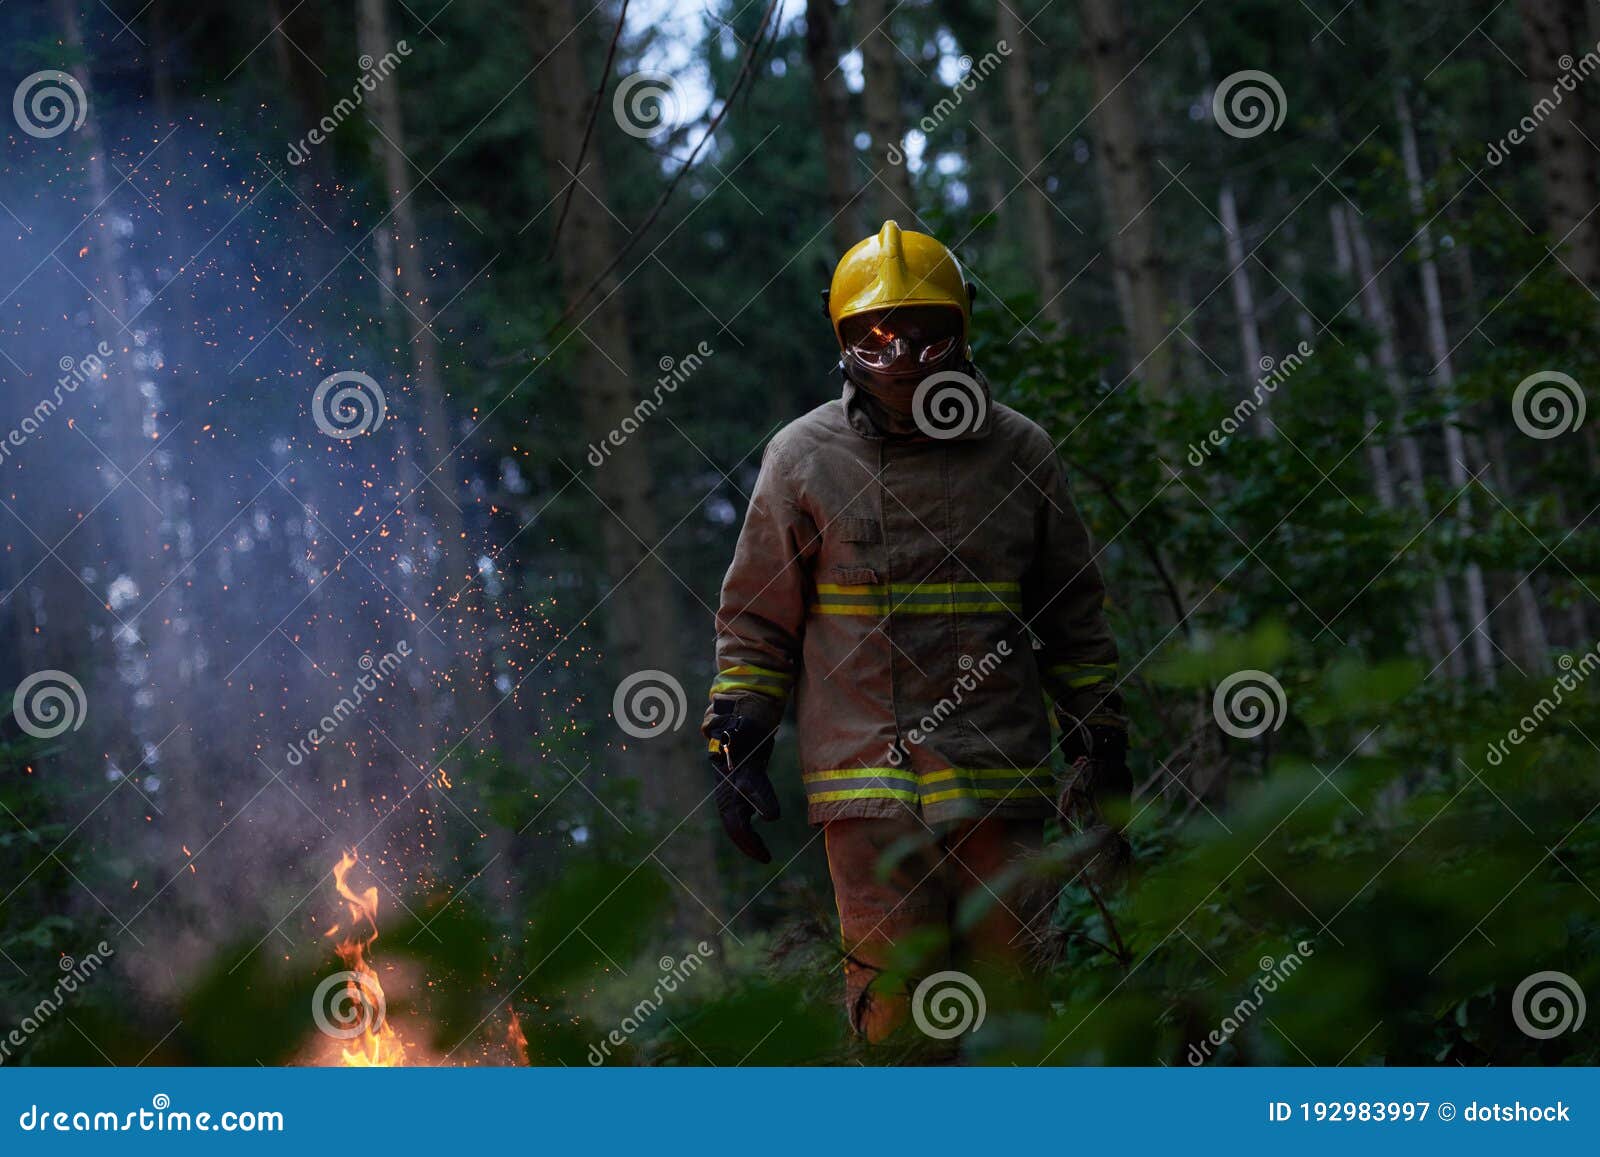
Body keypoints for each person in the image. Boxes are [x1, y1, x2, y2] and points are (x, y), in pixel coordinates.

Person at [702, 221, 1129, 1045]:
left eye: (924, 334)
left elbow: (1073, 614)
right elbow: (758, 620)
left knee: (1017, 1024)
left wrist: (1100, 734)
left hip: (998, 784)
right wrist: (736, 740)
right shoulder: (802, 458)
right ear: (844, 339)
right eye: (877, 336)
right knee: (898, 1030)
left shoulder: (1020, 453)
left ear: (962, 329)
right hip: (868, 798)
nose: (900, 356)